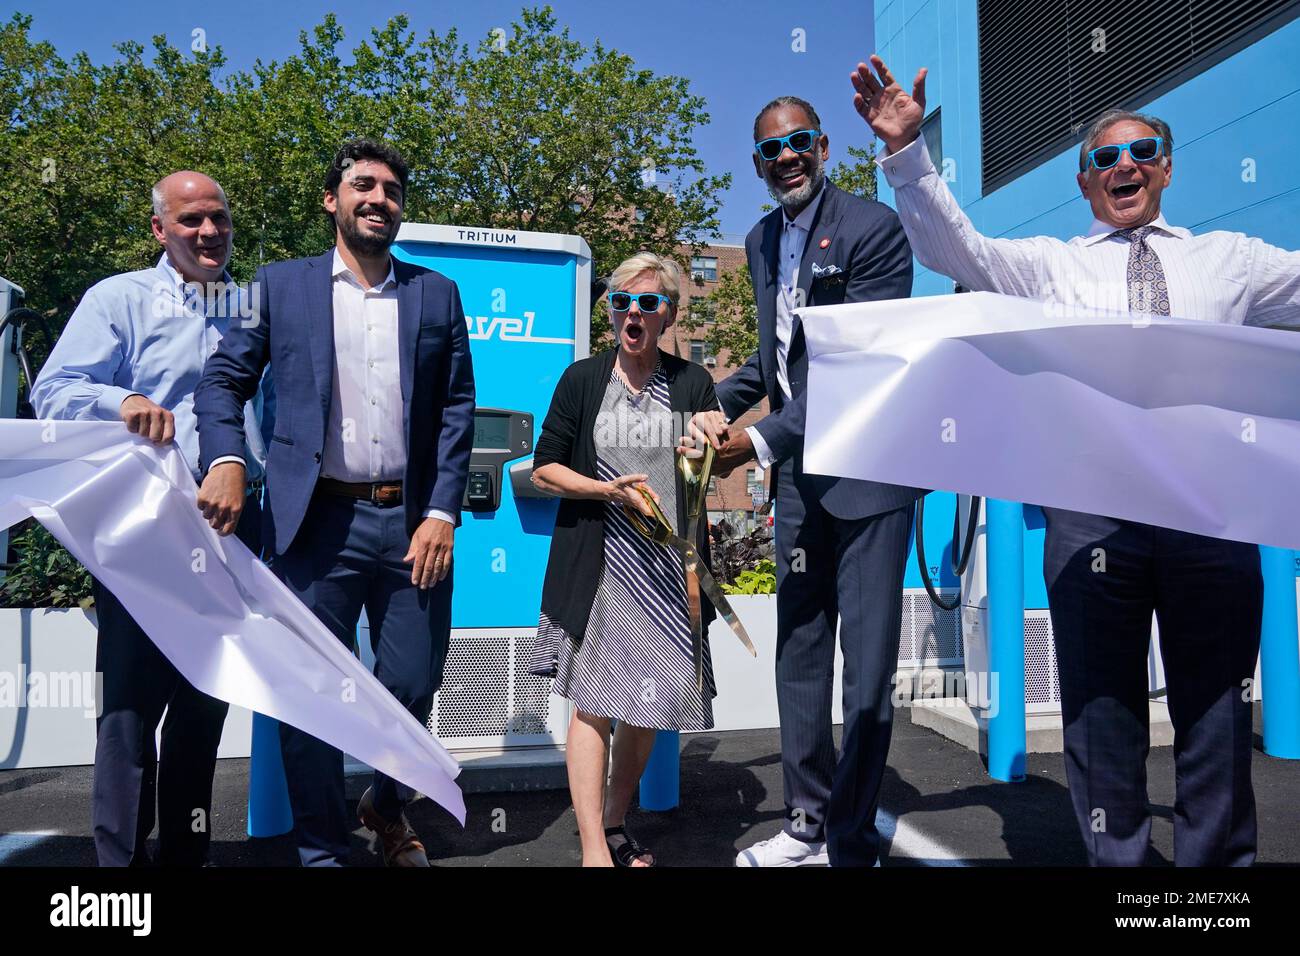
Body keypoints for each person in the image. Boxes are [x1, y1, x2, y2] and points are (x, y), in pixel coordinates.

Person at [852, 54, 1300, 865]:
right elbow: (960, 254)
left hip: (1213, 513)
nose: (1123, 165)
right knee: (1100, 713)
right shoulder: (1052, 267)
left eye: (1140, 153)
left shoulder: (1234, 260)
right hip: (1094, 521)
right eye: (1104, 158)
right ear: (1084, 180)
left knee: (1218, 713)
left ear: (1165, 168)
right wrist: (908, 156)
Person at [193, 138, 475, 867]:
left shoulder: (435, 294)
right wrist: (228, 459)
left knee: (413, 678)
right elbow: (221, 381)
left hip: (411, 524)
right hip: (312, 525)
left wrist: (441, 511)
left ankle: (385, 806)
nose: (379, 199)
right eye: (363, 186)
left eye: (391, 190)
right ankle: (321, 849)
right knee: (310, 695)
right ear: (332, 200)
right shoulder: (277, 286)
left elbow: (455, 408)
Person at [684, 96, 919, 867]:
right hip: (798, 486)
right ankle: (809, 821)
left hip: (870, 478)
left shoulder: (873, 229)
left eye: (799, 142)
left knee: (869, 668)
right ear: (756, 163)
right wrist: (703, 410)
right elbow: (772, 365)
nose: (786, 155)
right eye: (770, 148)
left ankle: (852, 839)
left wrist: (753, 439)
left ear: (822, 146)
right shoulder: (758, 240)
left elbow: (859, 370)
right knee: (801, 651)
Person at [30, 171, 268, 866]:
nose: (208, 232)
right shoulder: (118, 299)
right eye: (190, 220)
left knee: (204, 710)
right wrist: (123, 400)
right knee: (129, 715)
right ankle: (120, 875)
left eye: (218, 218)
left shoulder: (253, 307)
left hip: (233, 532)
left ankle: (187, 859)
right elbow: (54, 391)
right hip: (142, 535)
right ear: (160, 230)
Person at [528, 252, 722, 867]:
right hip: (600, 562)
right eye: (620, 302)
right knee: (591, 704)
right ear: (609, 311)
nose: (632, 314)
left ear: (668, 314)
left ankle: (614, 821)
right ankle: (593, 849)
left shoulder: (692, 383)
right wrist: (604, 489)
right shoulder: (583, 380)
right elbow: (545, 466)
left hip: (668, 568)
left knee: (652, 704)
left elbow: (706, 474)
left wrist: (714, 441)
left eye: (647, 304)